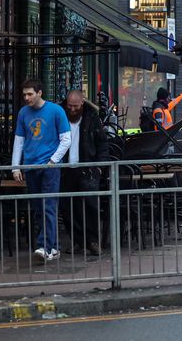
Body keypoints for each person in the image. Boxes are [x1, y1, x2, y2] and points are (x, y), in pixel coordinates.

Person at [12, 79, 71, 261]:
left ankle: (44, 246)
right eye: (24, 95)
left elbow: (66, 139)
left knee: (47, 206)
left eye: (30, 94)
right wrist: (16, 166)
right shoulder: (23, 113)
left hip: (48, 166)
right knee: (40, 208)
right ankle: (53, 247)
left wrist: (53, 161)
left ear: (39, 93)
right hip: (31, 165)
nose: (26, 98)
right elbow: (19, 140)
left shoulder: (56, 111)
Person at [60, 90, 108, 256]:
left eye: (75, 106)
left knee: (90, 206)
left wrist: (99, 166)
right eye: (69, 106)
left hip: (87, 167)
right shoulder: (60, 115)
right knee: (68, 208)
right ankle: (77, 241)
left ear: (82, 103)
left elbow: (102, 142)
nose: (72, 109)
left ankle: (93, 241)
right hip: (66, 169)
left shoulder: (91, 117)